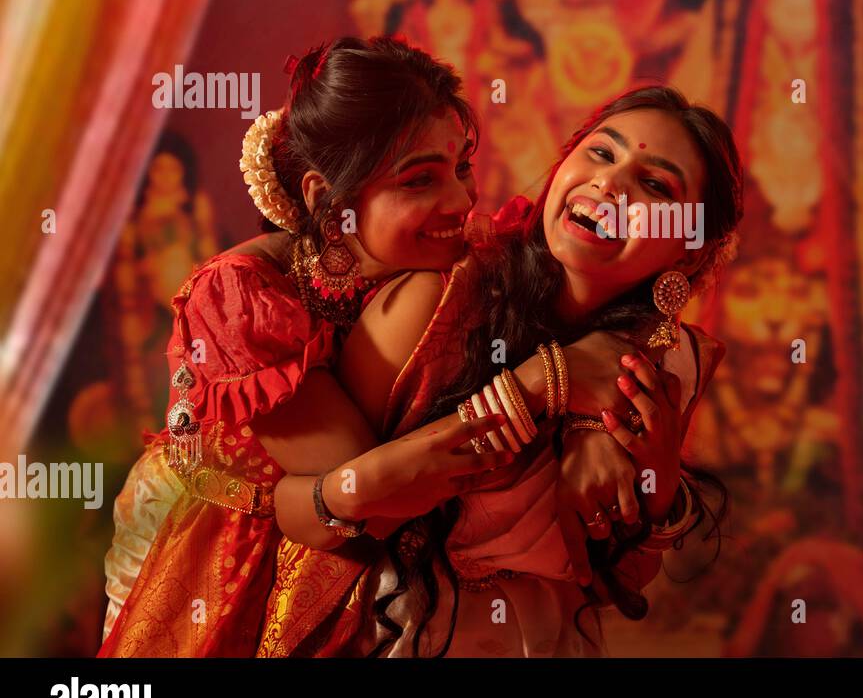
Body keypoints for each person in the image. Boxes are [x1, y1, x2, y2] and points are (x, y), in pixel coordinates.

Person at [98, 37, 632, 656]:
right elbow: (370, 492)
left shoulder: (440, 259)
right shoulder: (239, 298)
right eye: (420, 179)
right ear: (329, 200)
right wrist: (543, 382)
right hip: (218, 550)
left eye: (461, 166)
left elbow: (582, 290)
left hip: (338, 552)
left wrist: (598, 414)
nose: (461, 201)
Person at [258, 85, 744, 657]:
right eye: (601, 154)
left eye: (655, 185)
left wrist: (655, 489)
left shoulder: (666, 360)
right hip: (385, 629)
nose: (610, 186)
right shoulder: (440, 300)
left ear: (689, 250)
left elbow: (618, 580)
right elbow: (313, 513)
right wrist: (544, 383)